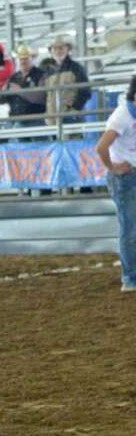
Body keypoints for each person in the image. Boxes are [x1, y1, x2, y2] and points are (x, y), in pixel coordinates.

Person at [96, 74, 136, 292]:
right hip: (124, 178)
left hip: (130, 173)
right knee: (130, 229)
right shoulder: (121, 116)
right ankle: (130, 278)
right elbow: (101, 147)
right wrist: (113, 167)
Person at [1, 46, 46, 133]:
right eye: (20, 58)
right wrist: (0, 94)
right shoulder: (13, 77)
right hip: (17, 120)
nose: (23, 61)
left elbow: (41, 97)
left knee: (42, 145)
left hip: (37, 120)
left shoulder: (41, 75)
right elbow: (2, 100)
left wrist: (20, 91)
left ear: (32, 58)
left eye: (26, 58)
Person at [48, 34, 91, 120]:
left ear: (67, 49)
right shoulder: (49, 70)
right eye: (55, 48)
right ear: (52, 51)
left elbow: (86, 90)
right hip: (53, 116)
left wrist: (75, 106)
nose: (58, 51)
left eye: (61, 48)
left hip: (71, 115)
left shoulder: (76, 68)